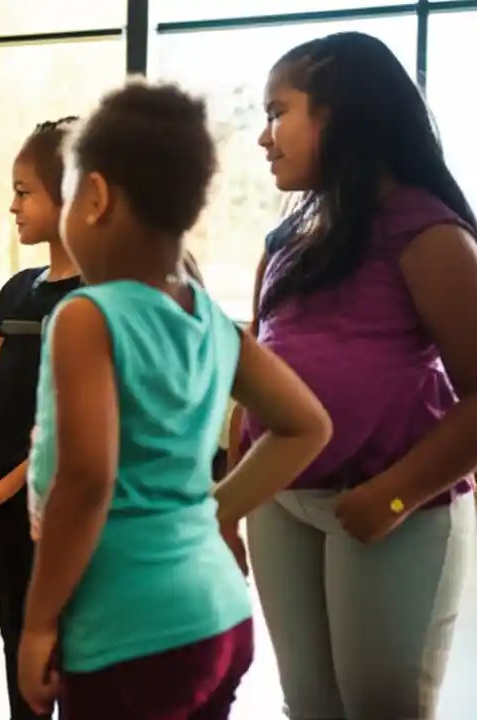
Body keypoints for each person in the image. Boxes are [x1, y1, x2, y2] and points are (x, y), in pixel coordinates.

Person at [17, 81, 333, 719]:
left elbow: (86, 479)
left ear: (96, 198)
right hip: (218, 616)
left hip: (129, 633)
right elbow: (307, 426)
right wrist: (217, 510)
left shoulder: (86, 316)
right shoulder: (209, 321)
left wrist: (38, 622)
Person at [234, 31, 477, 719]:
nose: (263, 137)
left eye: (277, 111)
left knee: (382, 706)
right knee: (308, 703)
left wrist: (394, 497)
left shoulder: (426, 232)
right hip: (281, 505)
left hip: (389, 511)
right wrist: (233, 490)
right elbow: (261, 367)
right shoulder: (290, 239)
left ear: (338, 115)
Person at [0, 117, 81, 720]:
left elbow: (73, 422)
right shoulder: (17, 289)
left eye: (25, 191)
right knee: (14, 622)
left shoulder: (94, 298)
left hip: (47, 499)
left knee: (59, 632)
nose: (11, 205)